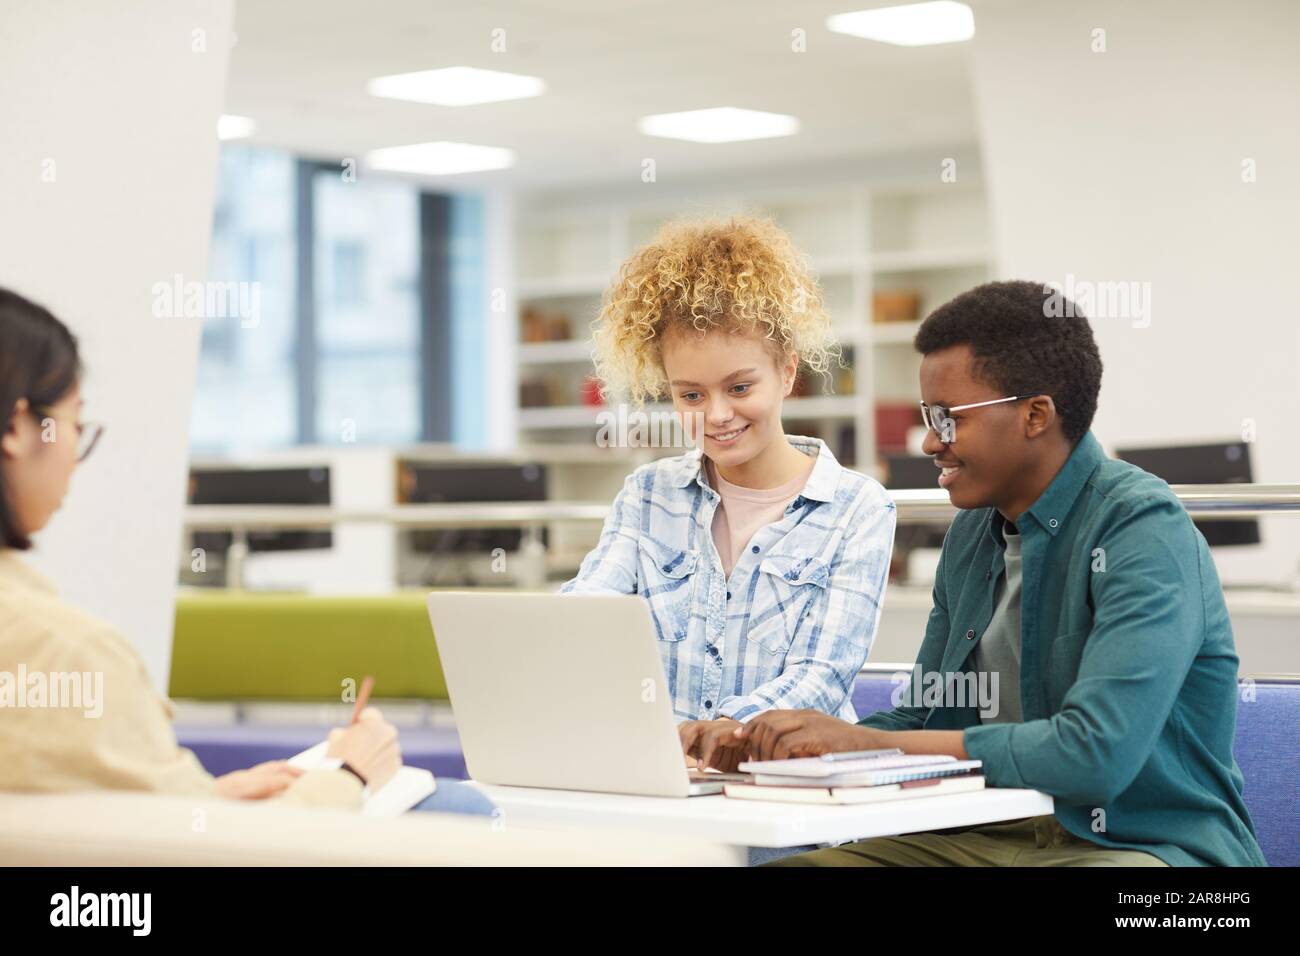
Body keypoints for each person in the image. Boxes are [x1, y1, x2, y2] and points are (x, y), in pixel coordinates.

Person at [737, 280, 1265, 867]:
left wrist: (869, 742)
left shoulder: (1142, 528)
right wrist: (767, 741)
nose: (932, 441)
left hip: (1143, 849)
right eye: (926, 416)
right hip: (977, 835)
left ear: (1036, 414)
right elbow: (926, 712)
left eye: (948, 417)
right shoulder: (972, 533)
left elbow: (1094, 755)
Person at [0, 286, 492, 818]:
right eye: (76, 425)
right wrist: (350, 774)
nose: (76, 455)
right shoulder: (67, 654)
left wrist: (208, 795)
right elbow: (216, 855)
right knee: (458, 808)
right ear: (16, 428)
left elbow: (116, 808)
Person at [560, 216, 896, 770]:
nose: (716, 415)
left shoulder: (857, 509)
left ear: (787, 372)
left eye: (740, 387)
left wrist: (709, 736)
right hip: (665, 782)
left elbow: (821, 677)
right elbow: (585, 619)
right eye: (691, 395)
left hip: (789, 789)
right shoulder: (648, 496)